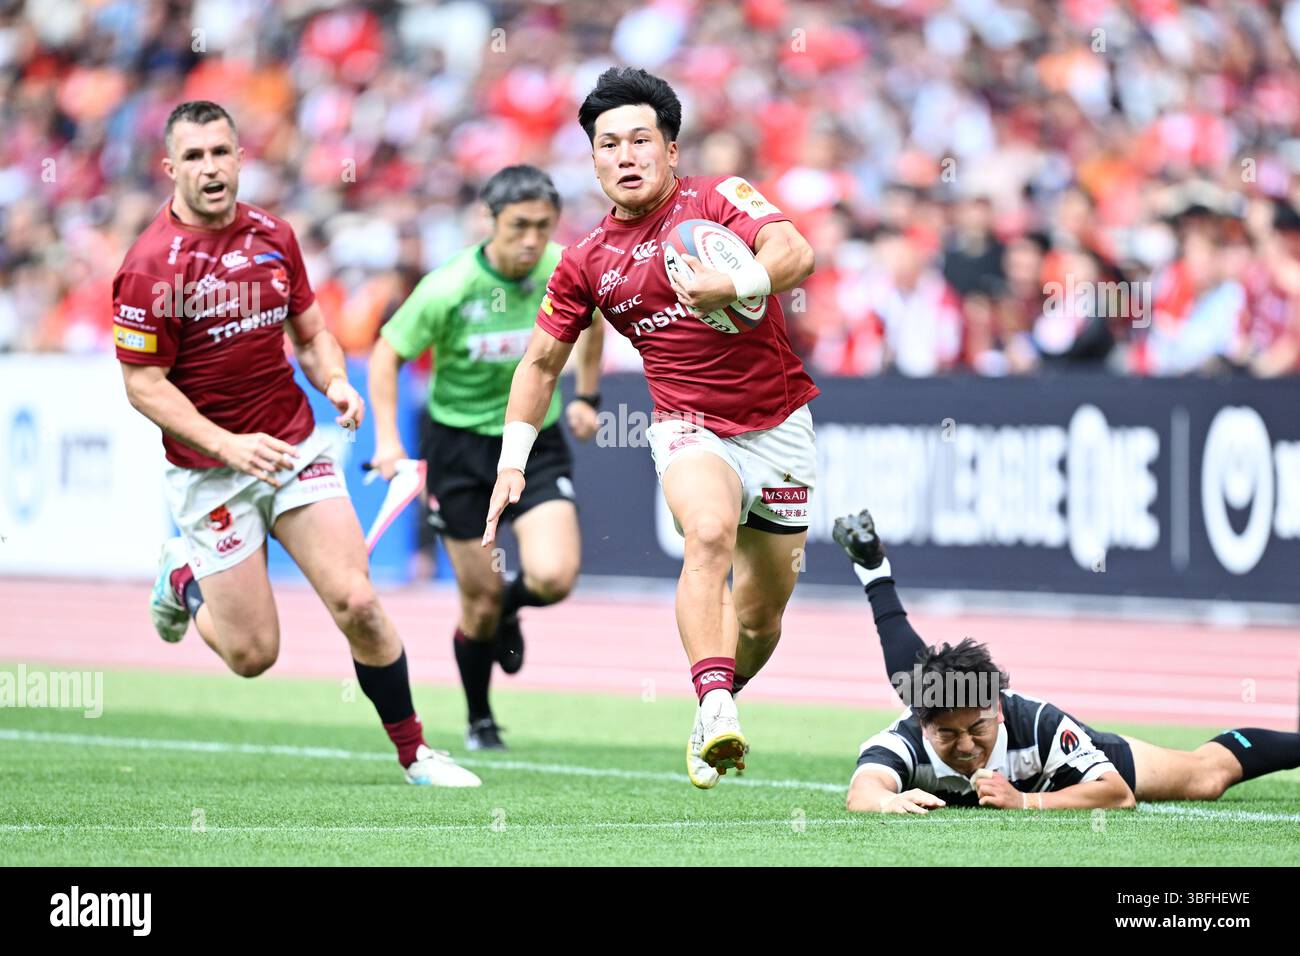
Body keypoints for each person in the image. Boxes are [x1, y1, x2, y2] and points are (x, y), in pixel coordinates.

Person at [115, 100, 479, 787]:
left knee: (359, 602)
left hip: (291, 447)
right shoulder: (150, 265)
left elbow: (311, 334)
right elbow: (144, 386)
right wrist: (226, 445)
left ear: (240, 157)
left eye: (220, 152)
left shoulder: (275, 237)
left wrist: (338, 383)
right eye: (193, 157)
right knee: (254, 656)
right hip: (211, 472)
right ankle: (184, 576)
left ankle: (415, 754)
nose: (210, 167)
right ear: (170, 169)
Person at [483, 67, 820, 789]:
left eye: (641, 139)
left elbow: (796, 253)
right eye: (609, 144)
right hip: (688, 426)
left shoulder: (718, 197)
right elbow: (541, 362)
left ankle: (714, 705)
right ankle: (717, 702)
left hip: (781, 425)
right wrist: (513, 458)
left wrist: (733, 283)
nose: (625, 155)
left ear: (671, 150)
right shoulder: (584, 261)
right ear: (593, 158)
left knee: (760, 620)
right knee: (706, 533)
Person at [832, 510, 1300, 812]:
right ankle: (874, 571)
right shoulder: (907, 738)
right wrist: (886, 802)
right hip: (929, 695)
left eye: (977, 729)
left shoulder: (1039, 723)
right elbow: (863, 789)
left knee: (1207, 778)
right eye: (948, 735)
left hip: (1068, 766)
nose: (968, 746)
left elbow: (1118, 795)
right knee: (917, 680)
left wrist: (1027, 802)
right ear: (924, 727)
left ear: (997, 708)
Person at [368, 165, 603, 751]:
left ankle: (509, 611)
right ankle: (479, 720)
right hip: (459, 449)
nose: (531, 240)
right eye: (518, 226)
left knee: (553, 577)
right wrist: (388, 441)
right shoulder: (448, 287)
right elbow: (386, 353)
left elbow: (595, 319)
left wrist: (588, 395)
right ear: (488, 221)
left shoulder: (562, 268)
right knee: (478, 597)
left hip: (534, 439)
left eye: (542, 226)